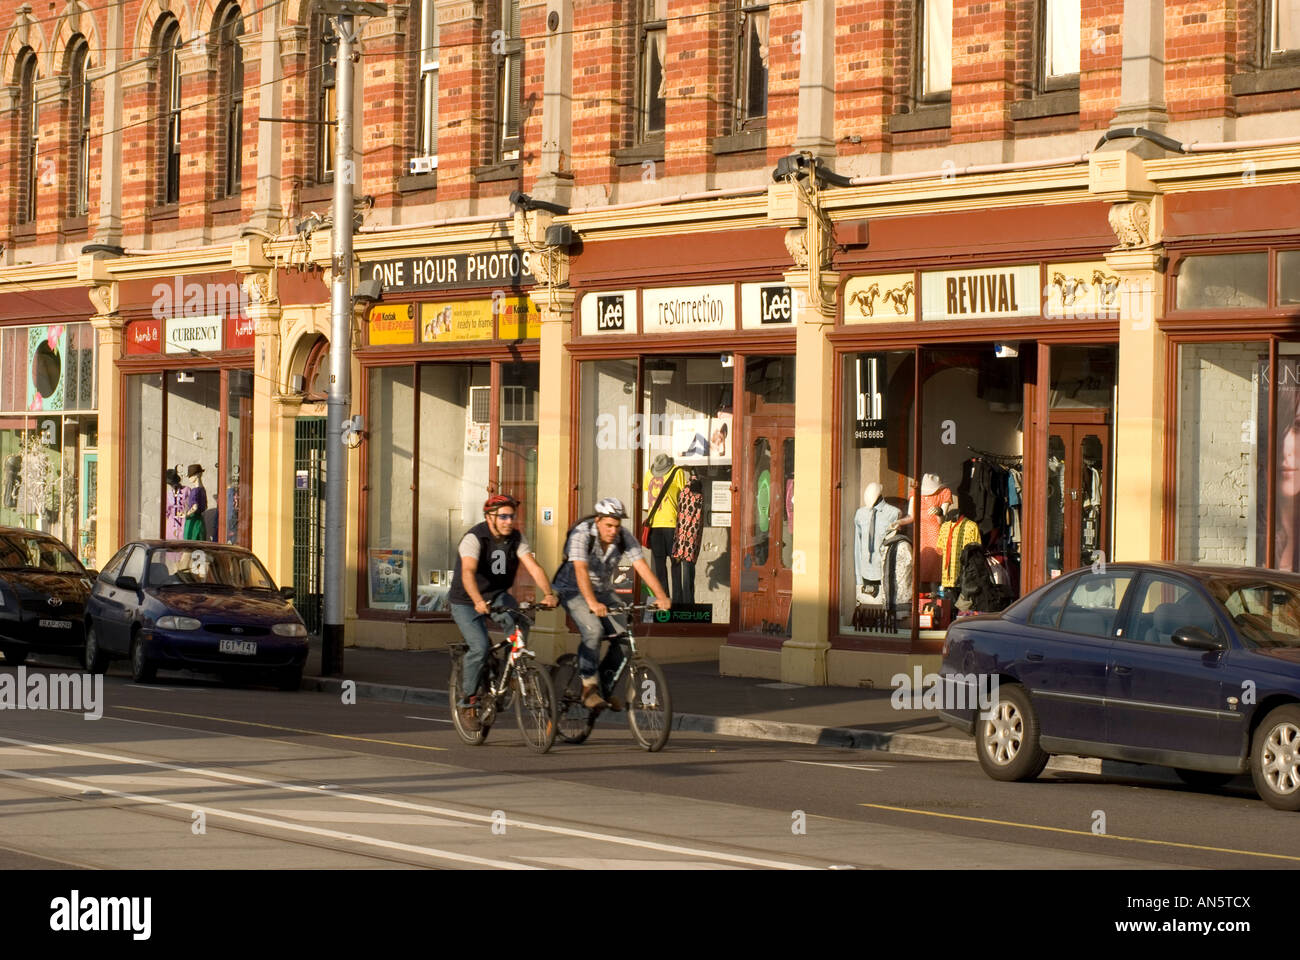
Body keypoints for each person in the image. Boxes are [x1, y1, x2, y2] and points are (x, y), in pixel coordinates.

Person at [448, 493, 558, 731]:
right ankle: (468, 703)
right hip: (466, 600)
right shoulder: (474, 538)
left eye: (512, 517)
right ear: (490, 517)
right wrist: (478, 601)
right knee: (479, 646)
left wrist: (549, 593)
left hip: (497, 595)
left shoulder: (516, 538)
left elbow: (533, 567)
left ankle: (513, 671)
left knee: (520, 623)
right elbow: (467, 573)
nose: (509, 521)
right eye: (503, 517)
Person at [552, 497, 671, 709]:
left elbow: (641, 567)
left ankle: (604, 690)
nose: (613, 530)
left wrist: (661, 596)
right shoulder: (582, 534)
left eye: (617, 525)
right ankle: (589, 687)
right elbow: (580, 570)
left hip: (603, 591)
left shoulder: (623, 537)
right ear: (598, 520)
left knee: (625, 639)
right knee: (594, 630)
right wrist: (592, 603)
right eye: (608, 525)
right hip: (572, 589)